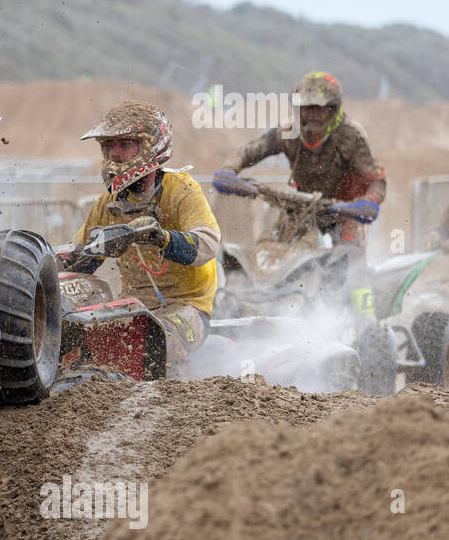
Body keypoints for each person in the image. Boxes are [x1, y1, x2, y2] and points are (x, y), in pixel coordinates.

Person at [65, 102, 222, 364]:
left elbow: (207, 244)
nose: (115, 154)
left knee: (156, 342)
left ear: (151, 147)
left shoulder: (181, 188)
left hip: (186, 306)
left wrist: (161, 237)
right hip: (134, 307)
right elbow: (79, 259)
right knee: (79, 334)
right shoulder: (109, 201)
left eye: (125, 145)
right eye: (109, 146)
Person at [213, 71, 385, 245]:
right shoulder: (288, 132)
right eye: (306, 108)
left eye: (319, 108)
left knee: (347, 257)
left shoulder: (351, 135)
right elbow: (247, 152)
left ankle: (353, 266)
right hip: (302, 208)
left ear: (332, 109)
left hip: (343, 211)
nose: (312, 114)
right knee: (273, 245)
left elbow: (376, 180)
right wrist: (228, 171)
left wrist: (368, 202)